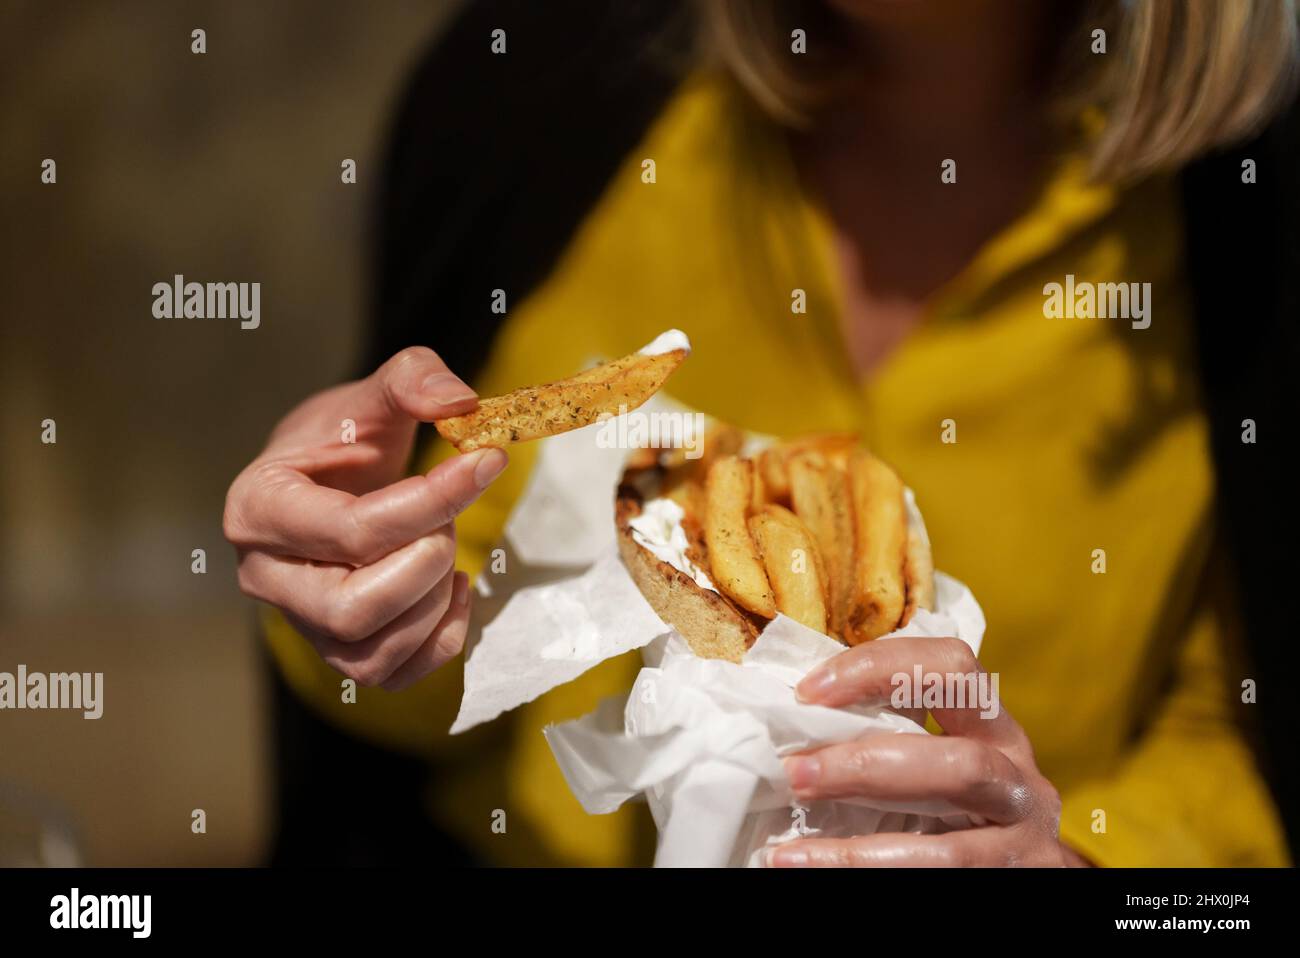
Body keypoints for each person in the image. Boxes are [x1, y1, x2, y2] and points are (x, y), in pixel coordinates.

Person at [224, 0, 1300, 866]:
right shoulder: (524, 94)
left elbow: (1235, 751)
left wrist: (1067, 868)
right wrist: (349, 563)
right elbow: (433, 662)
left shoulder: (1254, 216)